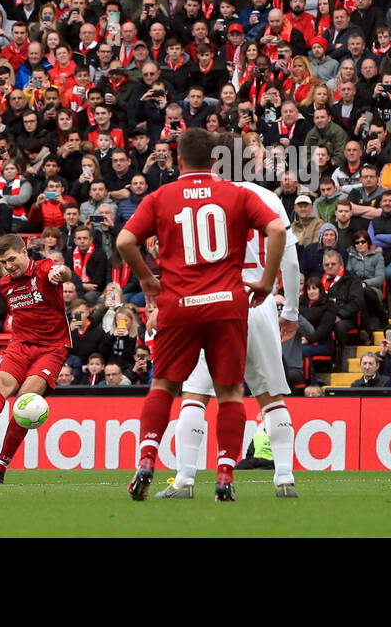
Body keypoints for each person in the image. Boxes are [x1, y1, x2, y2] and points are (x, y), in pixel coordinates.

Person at [115, 128, 285, 502]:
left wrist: (147, 280)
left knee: (165, 386)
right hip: (227, 303)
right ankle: (225, 474)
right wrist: (266, 282)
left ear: (178, 160)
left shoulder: (161, 197)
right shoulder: (237, 194)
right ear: (215, 161)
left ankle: (146, 460)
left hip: (180, 305)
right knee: (229, 393)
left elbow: (125, 241)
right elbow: (276, 230)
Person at [159, 178, 302, 499]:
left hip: (210, 301)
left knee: (196, 394)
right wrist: (290, 311)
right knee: (270, 396)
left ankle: (185, 479)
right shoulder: (267, 197)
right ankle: (284, 478)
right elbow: (290, 260)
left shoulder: (196, 199)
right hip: (259, 301)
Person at [0, 234, 73, 485]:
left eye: (11, 259)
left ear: (24, 253)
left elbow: (63, 272)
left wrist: (59, 273)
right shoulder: (5, 284)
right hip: (20, 344)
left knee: (24, 403)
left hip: (51, 348)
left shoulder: (44, 269)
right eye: (3, 262)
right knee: (1, 383)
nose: (8, 266)